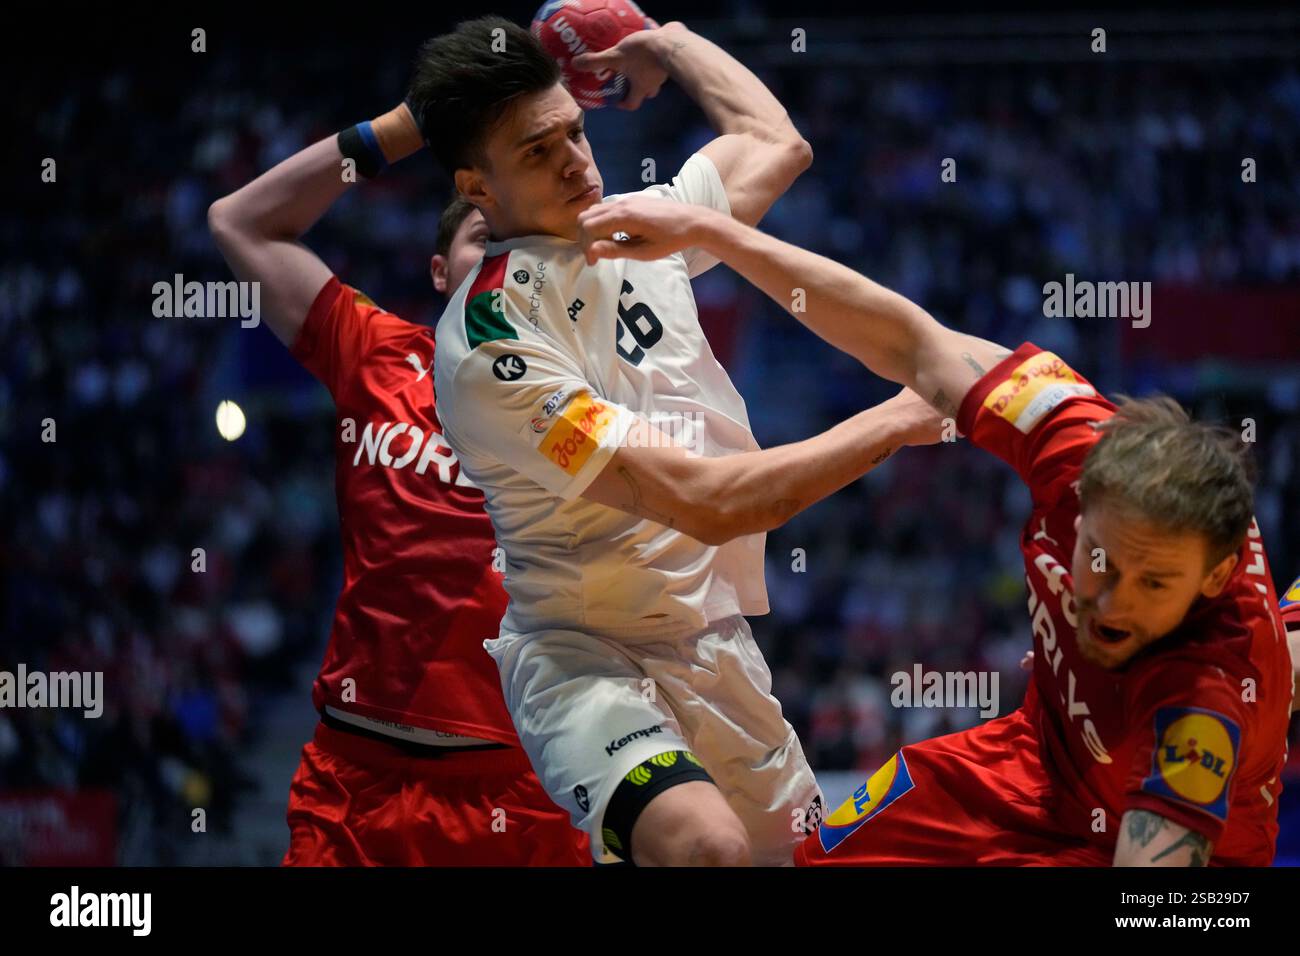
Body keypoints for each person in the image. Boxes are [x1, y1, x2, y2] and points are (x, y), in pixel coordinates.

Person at [575, 193, 1293, 866]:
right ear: (1082, 494)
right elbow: (910, 341)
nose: (1110, 600)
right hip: (1028, 765)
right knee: (819, 855)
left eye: (1154, 582)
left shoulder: (1205, 699)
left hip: (1144, 842)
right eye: (1100, 559)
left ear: (1216, 577)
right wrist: (712, 232)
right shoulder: (1075, 440)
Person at [416, 16, 942, 866]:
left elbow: (777, 142)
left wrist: (666, 40)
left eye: (576, 134)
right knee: (707, 849)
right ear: (478, 186)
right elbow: (707, 503)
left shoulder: (640, 225)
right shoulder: (491, 342)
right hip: (588, 656)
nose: (576, 163)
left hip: (716, 645)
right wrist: (902, 417)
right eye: (537, 152)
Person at [208, 98, 588, 865]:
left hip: (521, 790)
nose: (506, 260)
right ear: (440, 270)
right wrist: (417, 121)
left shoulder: (593, 399)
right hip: (355, 781)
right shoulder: (377, 351)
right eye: (486, 240)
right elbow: (239, 221)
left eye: (524, 248)